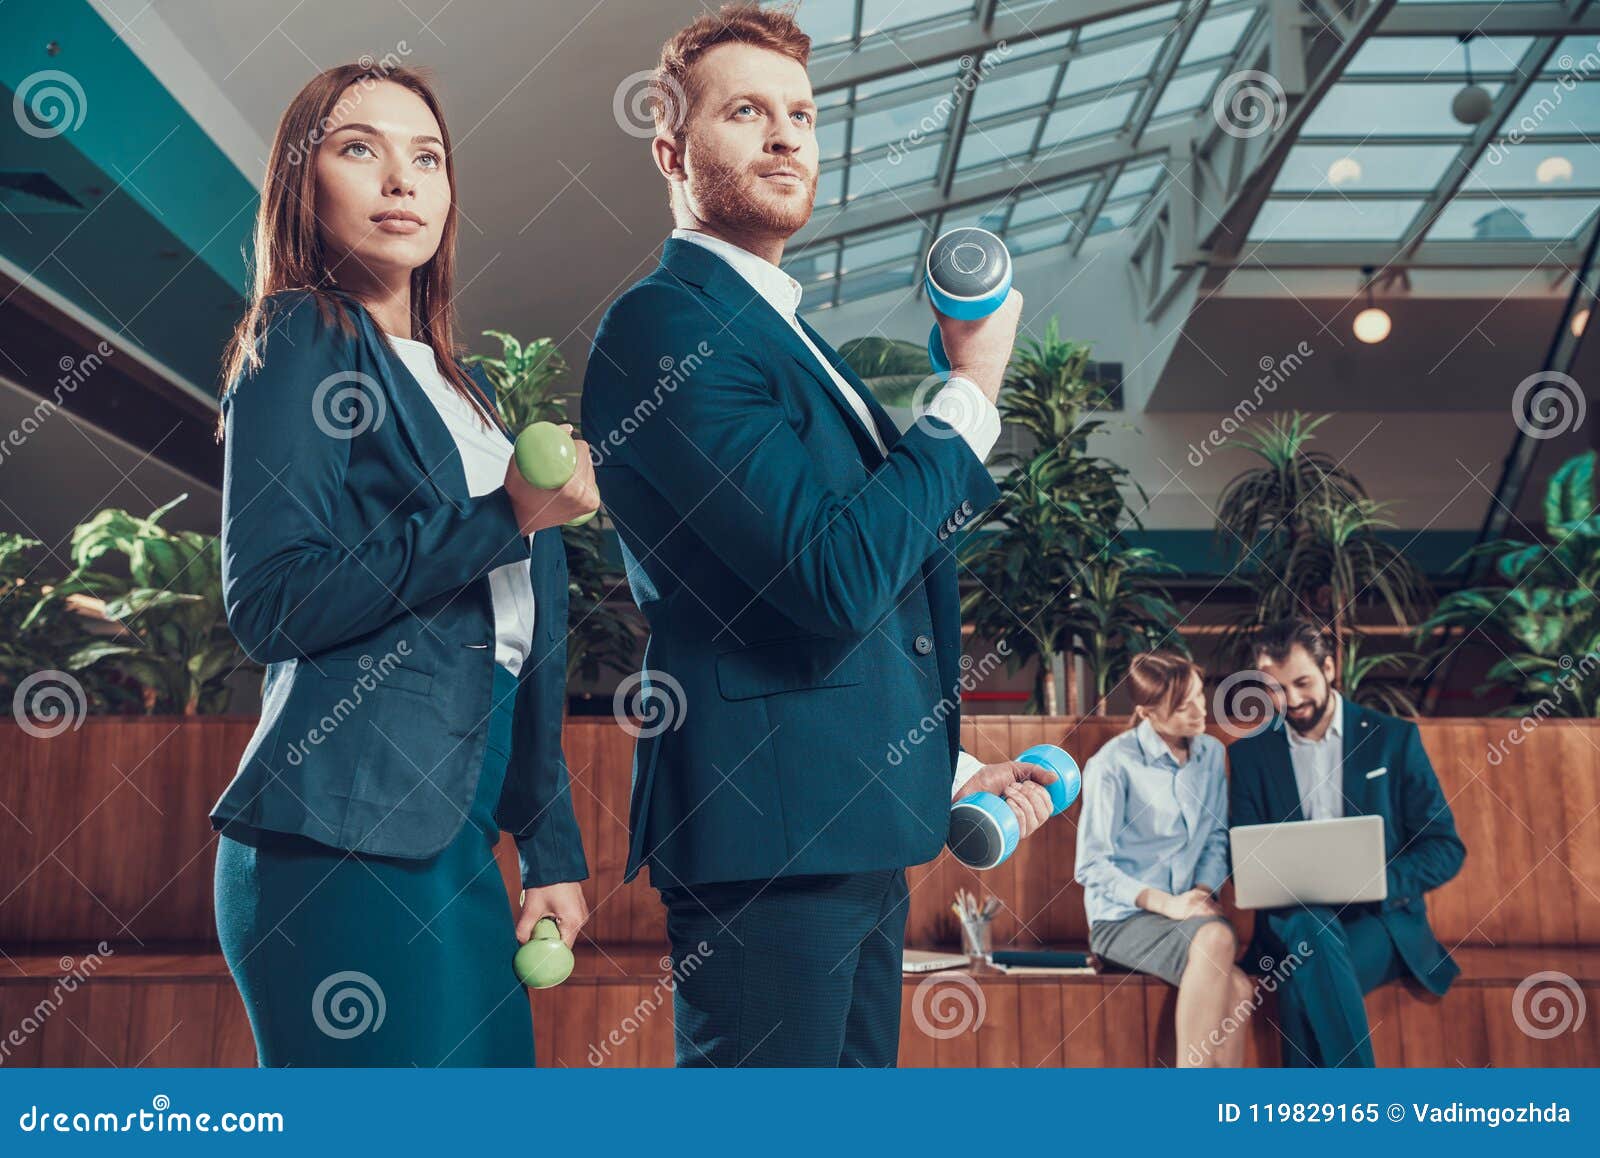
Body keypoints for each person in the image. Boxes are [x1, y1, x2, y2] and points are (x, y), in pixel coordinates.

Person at [580, 3, 1056, 1067]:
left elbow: (856, 602)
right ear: (671, 149)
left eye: (801, 112)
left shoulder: (787, 335)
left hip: (842, 835)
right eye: (746, 111)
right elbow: (828, 576)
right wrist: (971, 388)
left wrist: (940, 772)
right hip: (768, 843)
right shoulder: (667, 326)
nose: (787, 135)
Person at [210, 63, 597, 1066]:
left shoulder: (465, 395)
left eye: (425, 157)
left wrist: (549, 848)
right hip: (339, 841)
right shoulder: (303, 332)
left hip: (452, 842)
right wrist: (501, 514)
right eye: (358, 149)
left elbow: (520, 642)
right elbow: (272, 601)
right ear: (303, 184)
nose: (400, 180)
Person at [1229, 618, 1466, 1067]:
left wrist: (1377, 879)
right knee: (1307, 933)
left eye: (1302, 682)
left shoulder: (1392, 741)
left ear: (1330, 669)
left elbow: (1444, 846)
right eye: (1277, 688)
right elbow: (1243, 855)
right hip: (1290, 925)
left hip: (1379, 922)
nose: (1293, 700)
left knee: (1304, 981)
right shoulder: (1249, 755)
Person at [1075, 651, 1253, 1066]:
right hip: (1121, 921)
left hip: (1187, 915)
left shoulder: (1209, 754)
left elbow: (1214, 836)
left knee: (1241, 991)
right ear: (1148, 712)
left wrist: (1202, 892)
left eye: (1199, 696)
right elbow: (1091, 865)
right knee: (1218, 937)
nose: (1200, 710)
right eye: (1184, 705)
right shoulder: (1111, 765)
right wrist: (1168, 904)